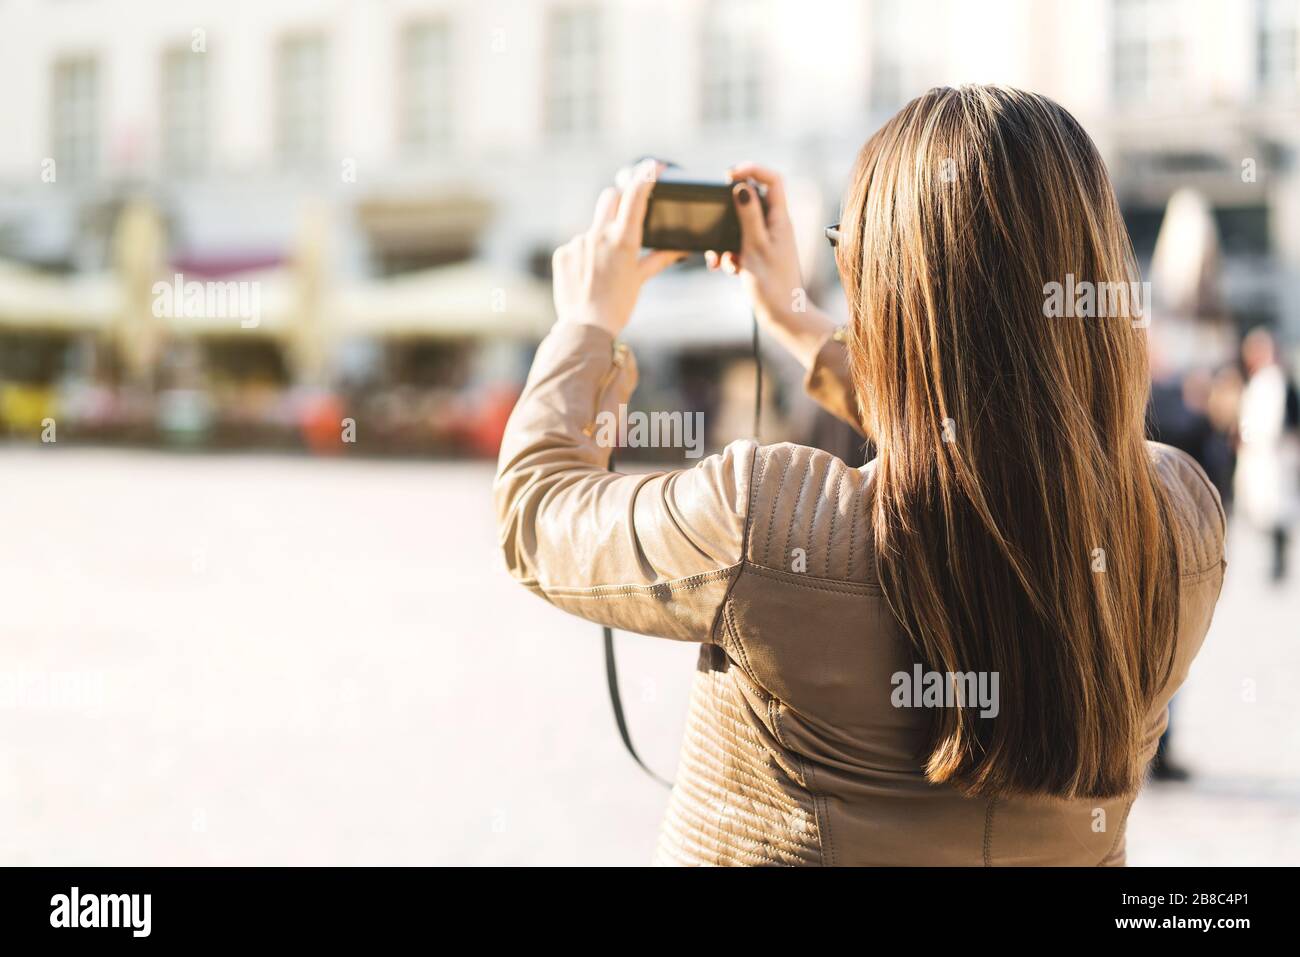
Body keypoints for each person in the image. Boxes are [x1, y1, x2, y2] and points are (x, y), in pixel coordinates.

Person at [494, 85, 1226, 866]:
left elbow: (538, 512)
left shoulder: (763, 525)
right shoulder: (1180, 525)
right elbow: (990, 437)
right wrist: (794, 319)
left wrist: (587, 324)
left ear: (886, 289)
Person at [1235, 326, 1300, 583]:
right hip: (1263, 457)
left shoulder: (1271, 381)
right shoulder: (1261, 380)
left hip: (1269, 458)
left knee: (1276, 510)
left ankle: (1278, 564)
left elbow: (1267, 425)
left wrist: (1249, 439)